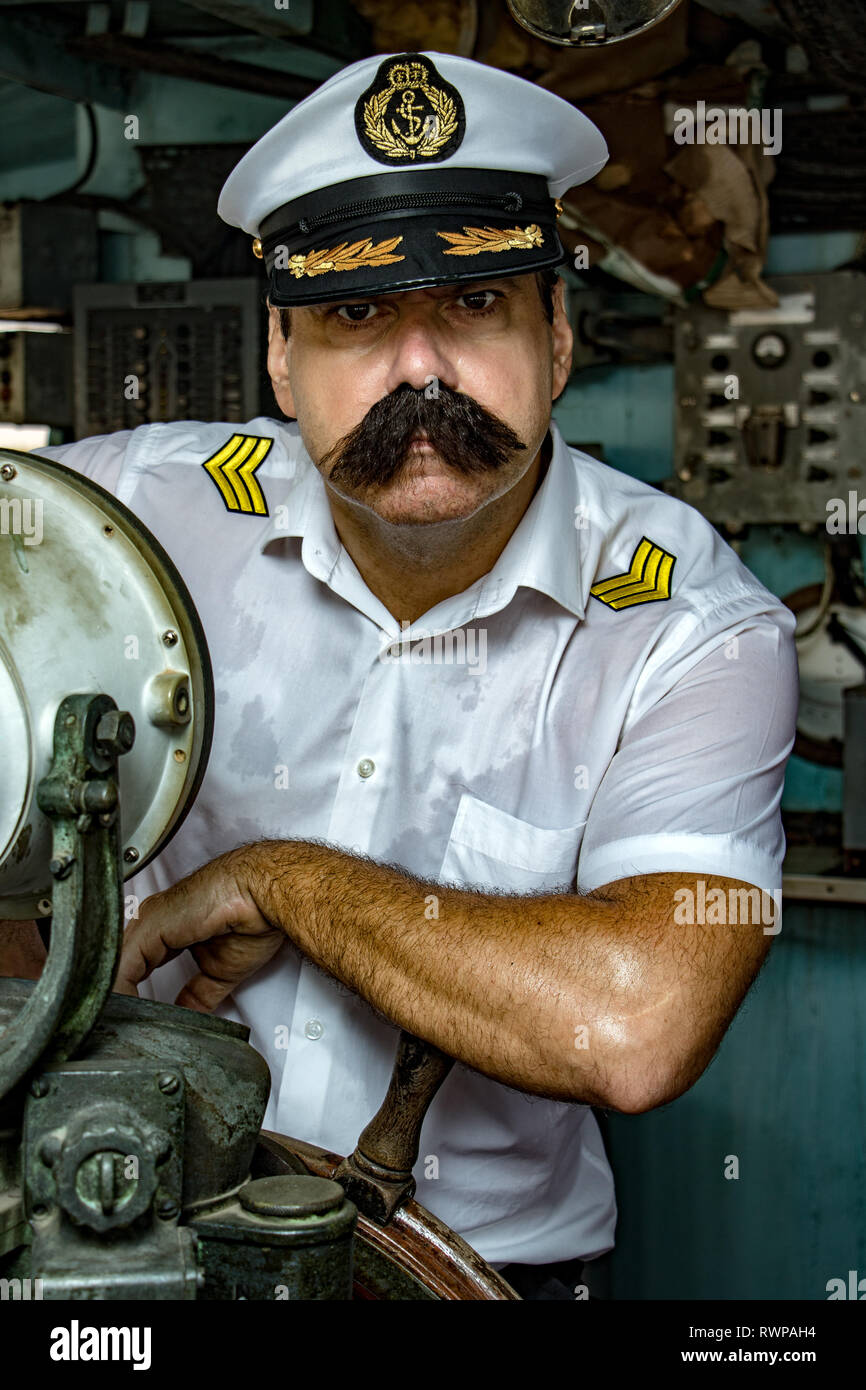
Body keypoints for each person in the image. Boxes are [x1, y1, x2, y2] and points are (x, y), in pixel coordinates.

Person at [7, 51, 798, 1298]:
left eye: (476, 305)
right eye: (355, 317)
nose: (417, 370)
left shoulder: (690, 626)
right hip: (132, 1245)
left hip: (477, 1269)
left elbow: (637, 1025)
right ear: (278, 356)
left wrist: (283, 883)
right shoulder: (123, 522)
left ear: (557, 335)